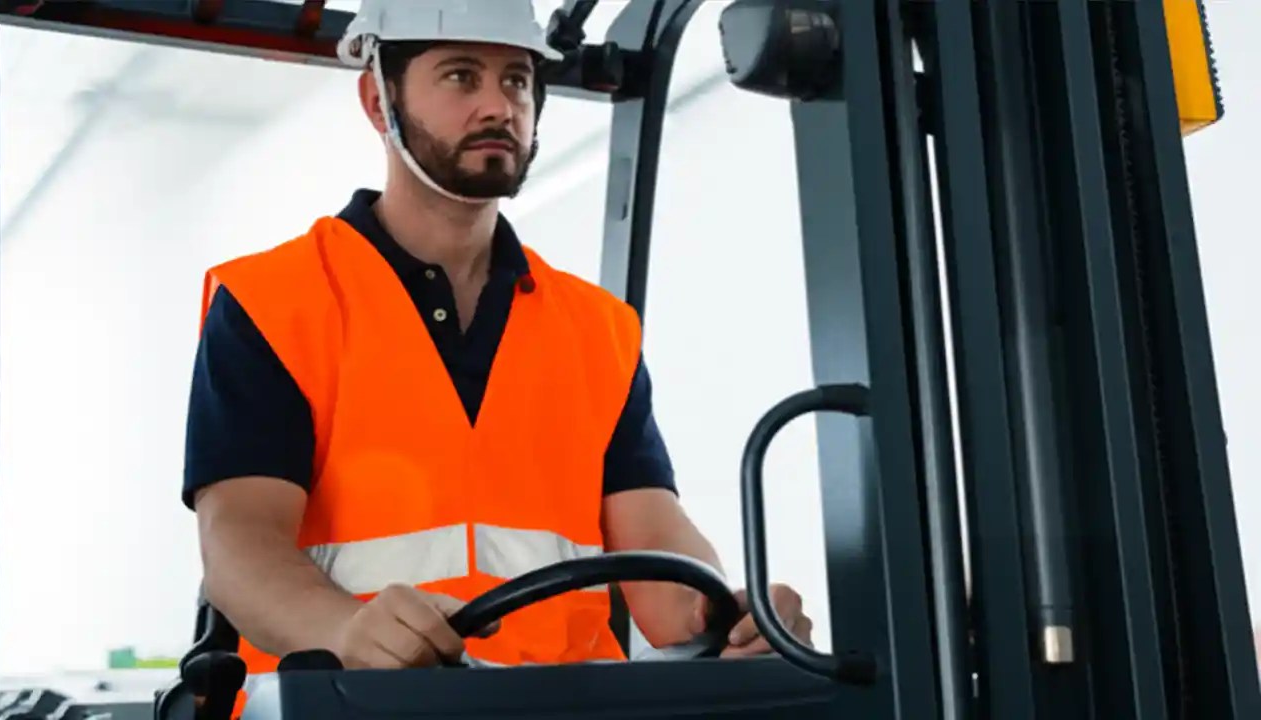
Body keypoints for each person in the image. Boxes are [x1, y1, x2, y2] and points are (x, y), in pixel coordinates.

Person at [182, 0, 812, 688]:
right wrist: (343, 628)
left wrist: (737, 620)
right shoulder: (275, 303)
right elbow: (240, 543)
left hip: (564, 711)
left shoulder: (596, 327)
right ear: (377, 100)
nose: (498, 107)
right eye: (459, 76)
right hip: (358, 705)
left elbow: (661, 562)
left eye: (516, 80)